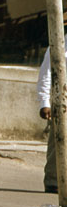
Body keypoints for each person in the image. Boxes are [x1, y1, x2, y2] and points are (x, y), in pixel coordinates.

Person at [41, 49, 57, 197]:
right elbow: (46, 74)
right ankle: (53, 181)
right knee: (58, 142)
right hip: (63, 99)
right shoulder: (58, 45)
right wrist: (45, 102)